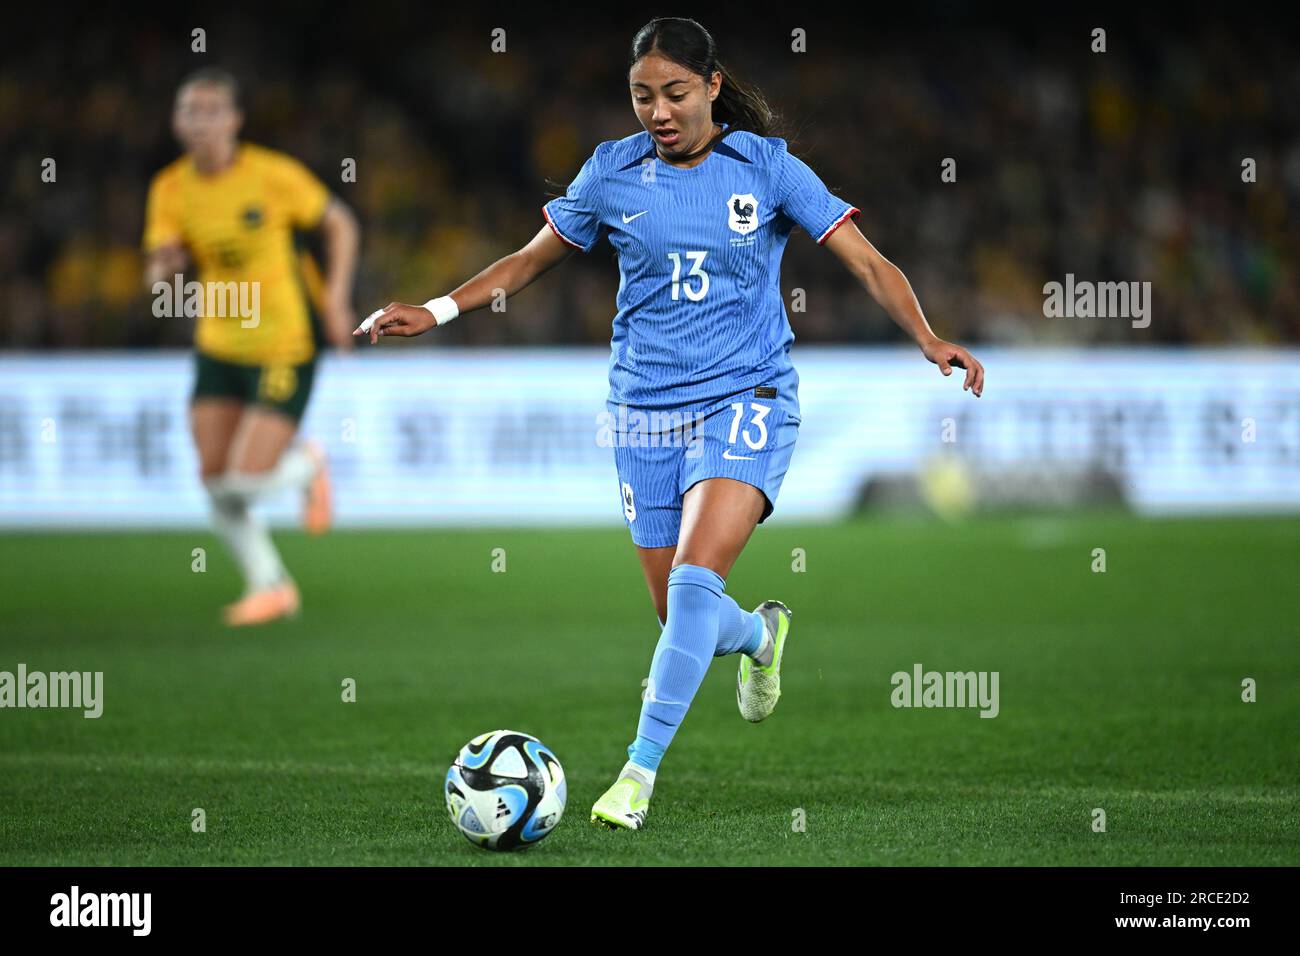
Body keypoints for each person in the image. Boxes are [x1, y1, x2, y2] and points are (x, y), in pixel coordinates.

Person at [357, 17, 984, 829]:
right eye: (642, 95)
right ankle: (759, 635)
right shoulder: (610, 172)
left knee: (692, 585)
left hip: (747, 397)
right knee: (679, 616)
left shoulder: (767, 167)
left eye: (675, 93)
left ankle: (636, 776)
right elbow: (528, 261)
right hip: (642, 418)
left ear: (713, 86)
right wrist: (436, 309)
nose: (658, 111)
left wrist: (929, 338)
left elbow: (866, 260)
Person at [143, 68, 360, 626]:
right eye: (190, 110)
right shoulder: (169, 188)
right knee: (216, 482)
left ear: (235, 120)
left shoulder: (272, 175)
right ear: (176, 121)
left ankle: (308, 467)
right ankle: (271, 585)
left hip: (284, 346)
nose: (201, 120)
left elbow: (341, 223)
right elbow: (158, 276)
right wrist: (163, 270)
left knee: (242, 481)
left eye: (213, 110)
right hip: (218, 346)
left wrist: (336, 300)